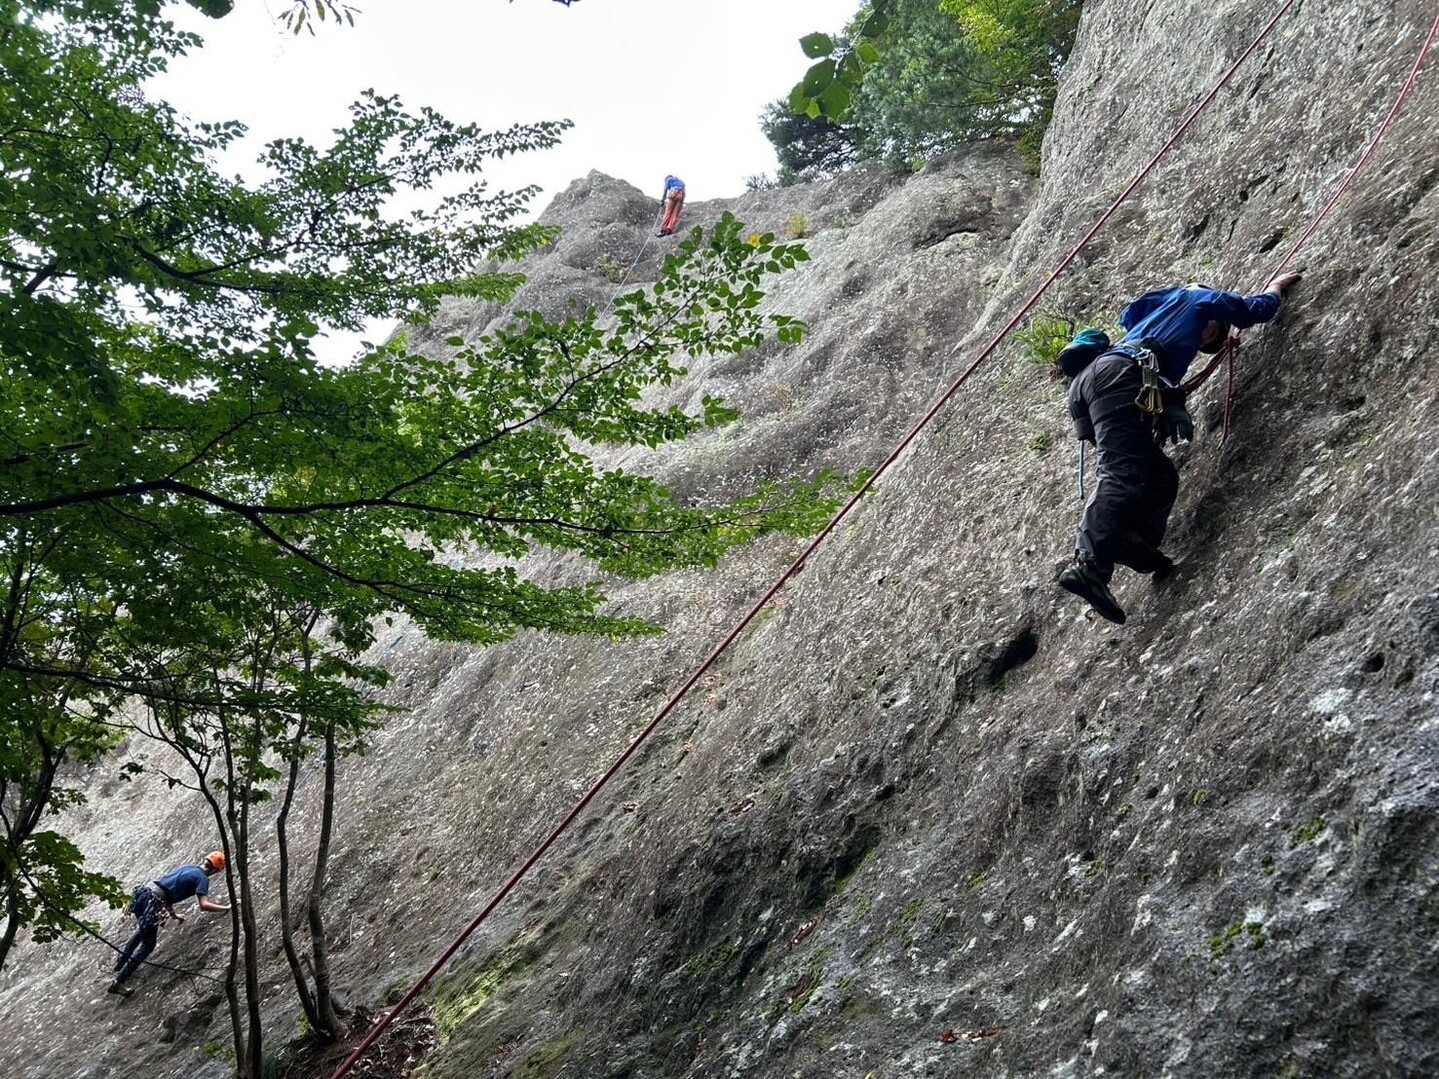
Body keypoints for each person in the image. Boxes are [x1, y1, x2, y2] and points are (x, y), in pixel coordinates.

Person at [1057, 273, 1303, 624]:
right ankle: (1088, 565)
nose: (1208, 337)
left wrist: (1168, 401)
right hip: (1118, 376)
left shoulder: (1153, 315)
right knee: (1119, 472)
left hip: (1093, 387)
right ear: (1215, 317)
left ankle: (1135, 540)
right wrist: (1275, 289)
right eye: (1214, 332)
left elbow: (1142, 342)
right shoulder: (1199, 299)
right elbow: (1253, 310)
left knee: (1159, 474)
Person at [108, 850, 232, 997]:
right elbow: (204, 905)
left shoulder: (189, 867)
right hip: (153, 902)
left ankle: (120, 963)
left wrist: (174, 916)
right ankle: (119, 982)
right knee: (148, 945)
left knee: (142, 930)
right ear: (215, 870)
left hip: (143, 893)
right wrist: (227, 907)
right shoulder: (202, 878)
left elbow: (166, 890)